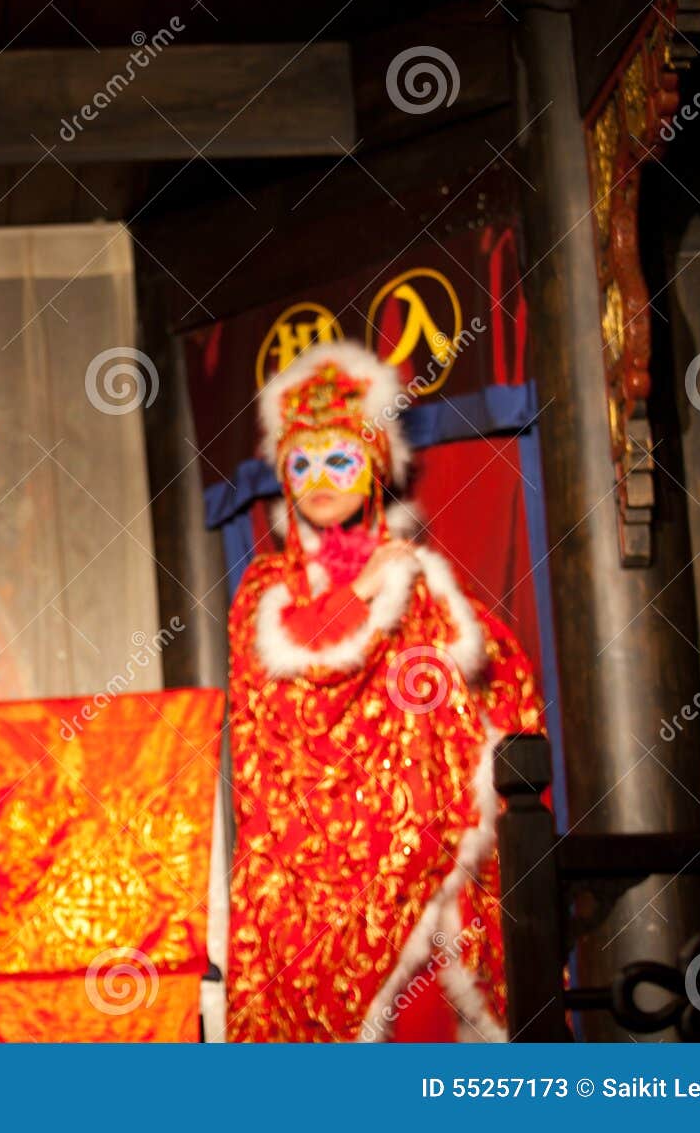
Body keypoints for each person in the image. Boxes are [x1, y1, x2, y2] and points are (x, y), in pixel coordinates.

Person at [225, 342, 542, 1042]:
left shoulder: (421, 579)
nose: (318, 478)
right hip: (308, 868)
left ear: (371, 466)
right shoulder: (265, 588)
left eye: (338, 458)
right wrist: (366, 593)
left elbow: (488, 668)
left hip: (422, 856)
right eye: (300, 463)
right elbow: (285, 698)